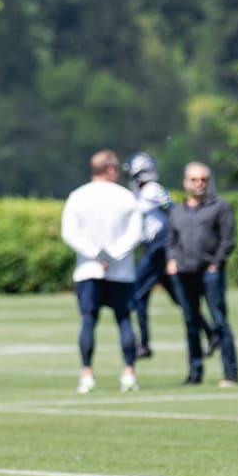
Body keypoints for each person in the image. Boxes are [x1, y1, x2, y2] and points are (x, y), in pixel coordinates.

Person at [60, 150, 144, 394]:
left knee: (88, 320)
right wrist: (115, 253)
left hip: (88, 269)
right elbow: (135, 233)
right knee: (125, 320)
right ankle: (129, 372)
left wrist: (95, 253)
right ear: (110, 169)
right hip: (121, 270)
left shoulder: (77, 196)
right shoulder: (126, 196)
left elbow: (70, 233)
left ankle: (87, 373)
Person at [166, 161, 238, 387]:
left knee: (219, 321)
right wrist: (171, 260)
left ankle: (230, 374)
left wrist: (216, 264)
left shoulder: (220, 206)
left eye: (204, 180)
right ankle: (194, 373)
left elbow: (228, 240)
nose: (199, 184)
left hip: (209, 272)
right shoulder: (177, 211)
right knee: (191, 323)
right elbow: (172, 241)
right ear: (186, 182)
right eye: (194, 180)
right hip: (184, 273)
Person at [124, 151, 175, 359]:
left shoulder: (151, 190)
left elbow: (138, 212)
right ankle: (144, 343)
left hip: (158, 248)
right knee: (177, 298)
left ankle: (144, 344)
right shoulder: (148, 190)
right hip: (156, 248)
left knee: (137, 295)